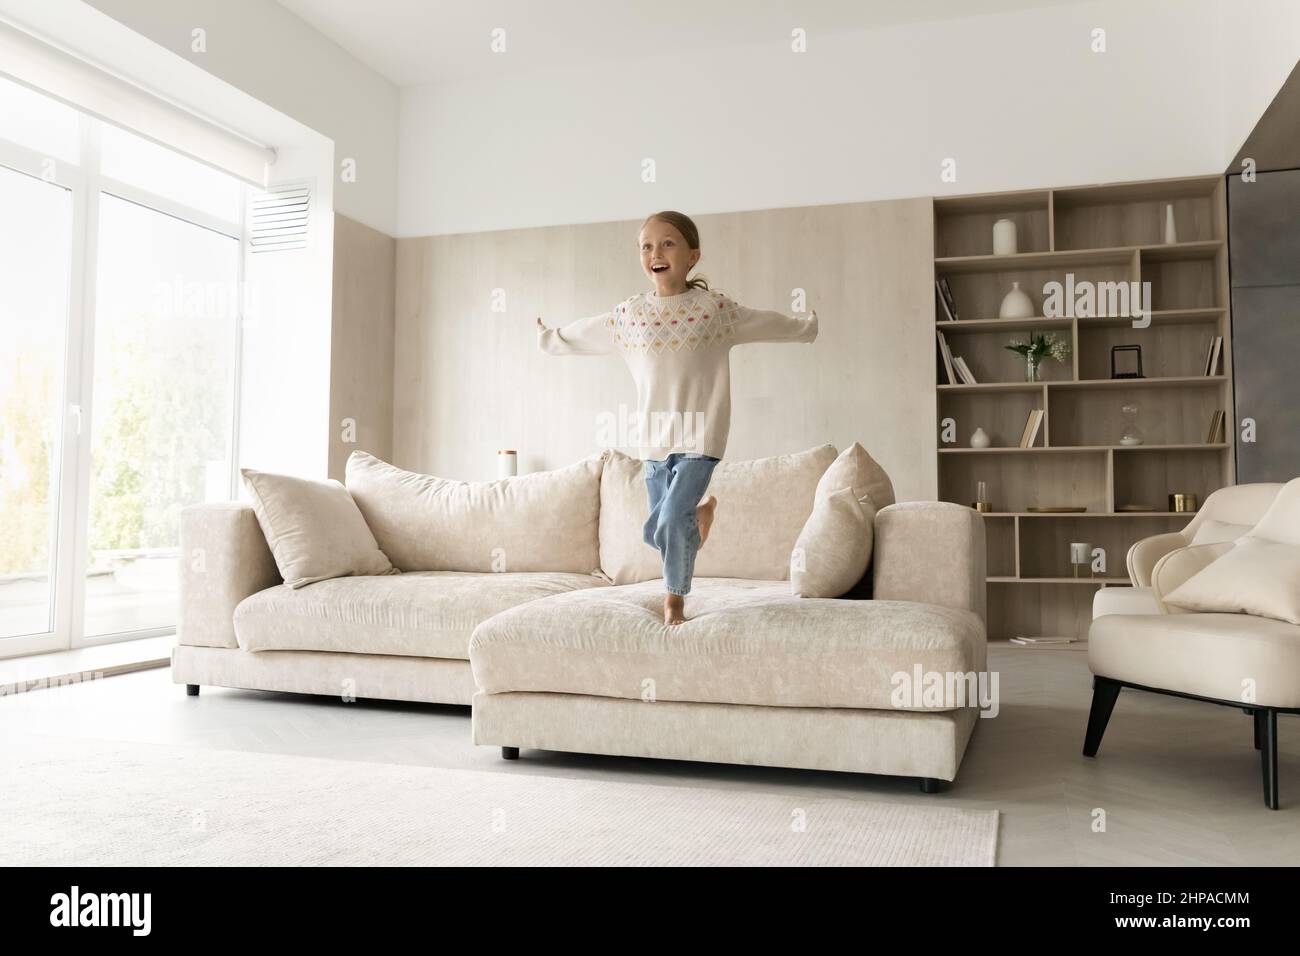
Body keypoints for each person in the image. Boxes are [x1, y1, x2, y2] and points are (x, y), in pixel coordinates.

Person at [537, 211, 818, 624]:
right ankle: (699, 519)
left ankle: (674, 603)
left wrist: (805, 326)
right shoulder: (629, 316)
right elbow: (587, 331)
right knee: (656, 533)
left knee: (668, 521)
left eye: (668, 243)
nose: (656, 252)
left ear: (692, 255)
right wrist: (550, 337)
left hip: (700, 438)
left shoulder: (714, 310)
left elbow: (764, 322)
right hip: (652, 441)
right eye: (647, 245)